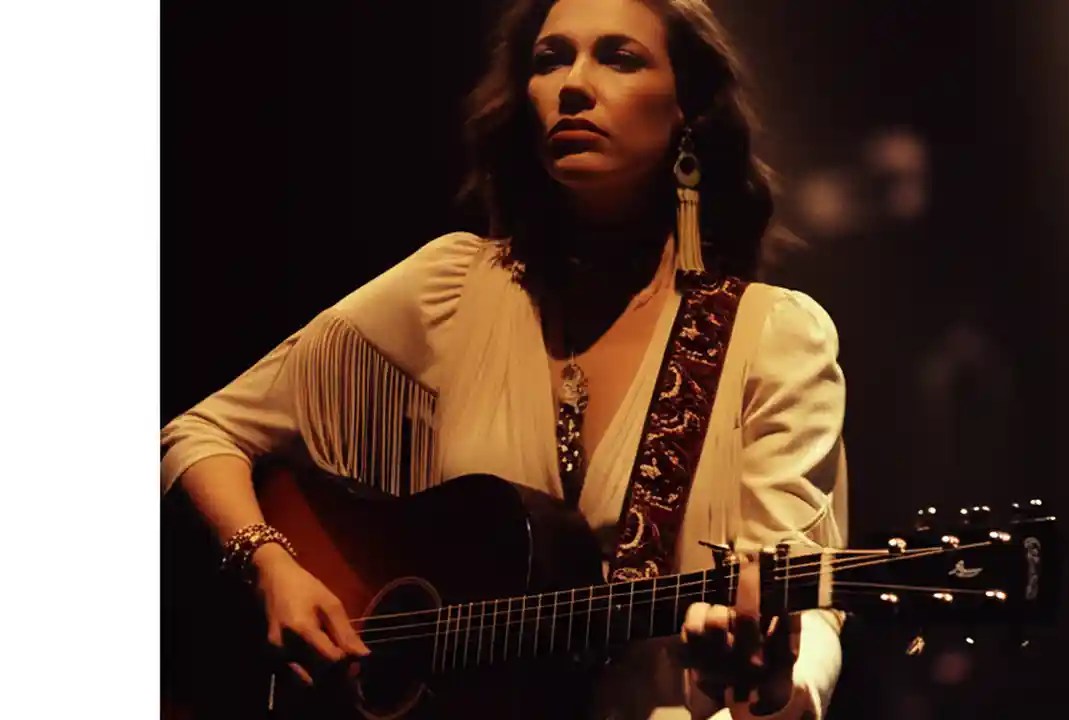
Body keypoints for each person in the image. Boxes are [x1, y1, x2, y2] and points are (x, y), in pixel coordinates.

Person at [161, 0, 849, 718]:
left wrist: (770, 686)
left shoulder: (772, 338)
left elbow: (804, 607)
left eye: (619, 57)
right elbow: (200, 436)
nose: (572, 85)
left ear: (686, 112)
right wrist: (271, 565)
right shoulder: (451, 291)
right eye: (550, 60)